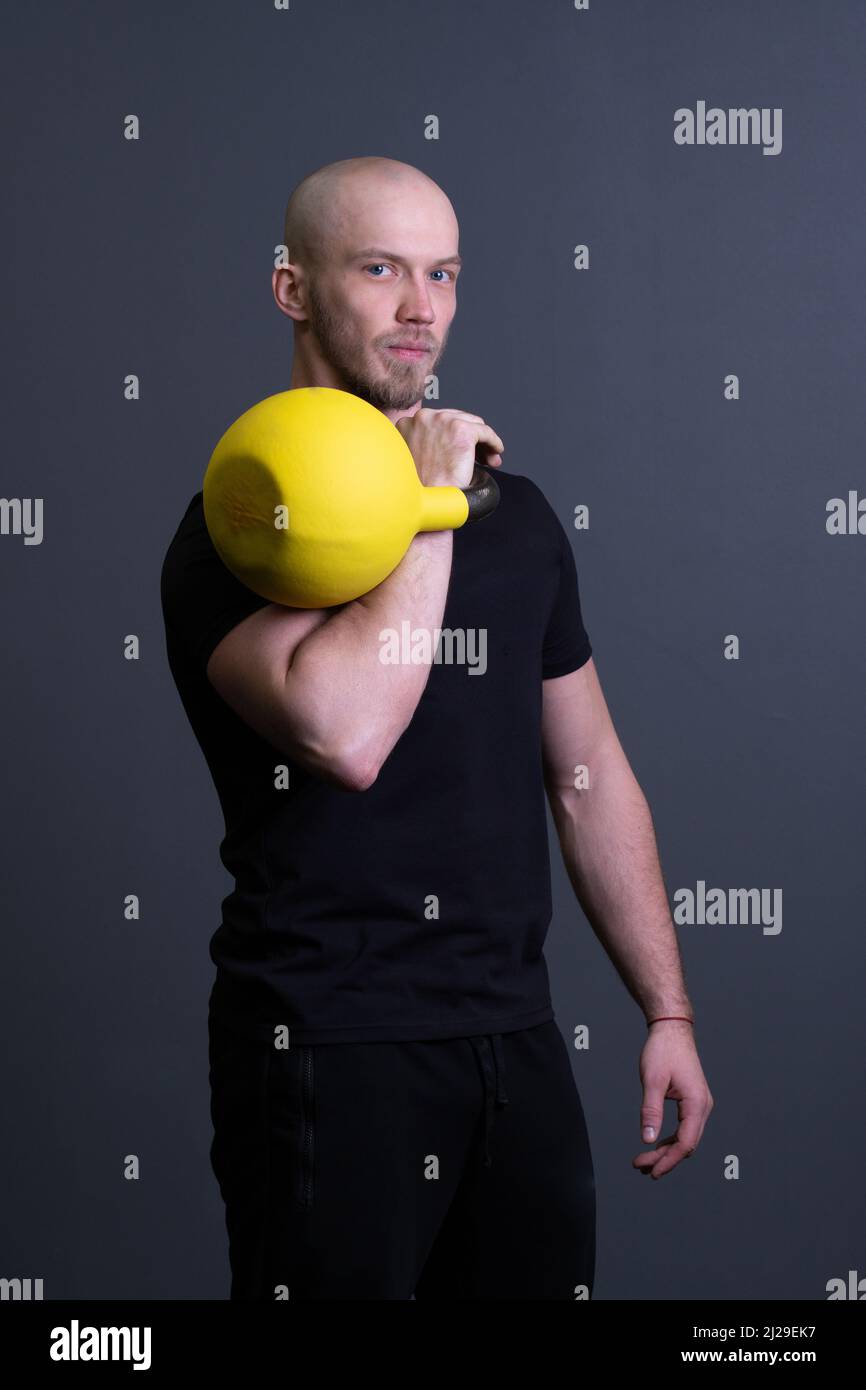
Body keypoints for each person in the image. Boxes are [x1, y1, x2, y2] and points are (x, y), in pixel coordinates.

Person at [160, 155, 713, 1301]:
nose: (422, 310)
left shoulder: (516, 519)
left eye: (443, 274)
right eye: (379, 269)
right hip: (323, 1039)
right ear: (293, 289)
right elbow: (348, 733)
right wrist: (425, 512)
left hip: (511, 1037)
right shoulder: (240, 520)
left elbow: (589, 771)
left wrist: (663, 1006)